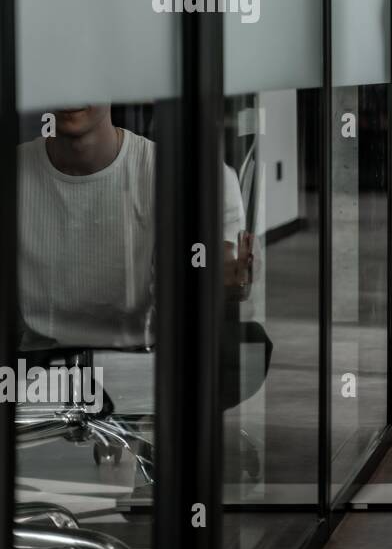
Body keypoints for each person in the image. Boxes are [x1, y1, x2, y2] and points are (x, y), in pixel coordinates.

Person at [16, 103, 265, 411]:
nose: (73, 94)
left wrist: (229, 281)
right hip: (38, 367)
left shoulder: (174, 171)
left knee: (245, 345)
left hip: (140, 360)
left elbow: (220, 268)